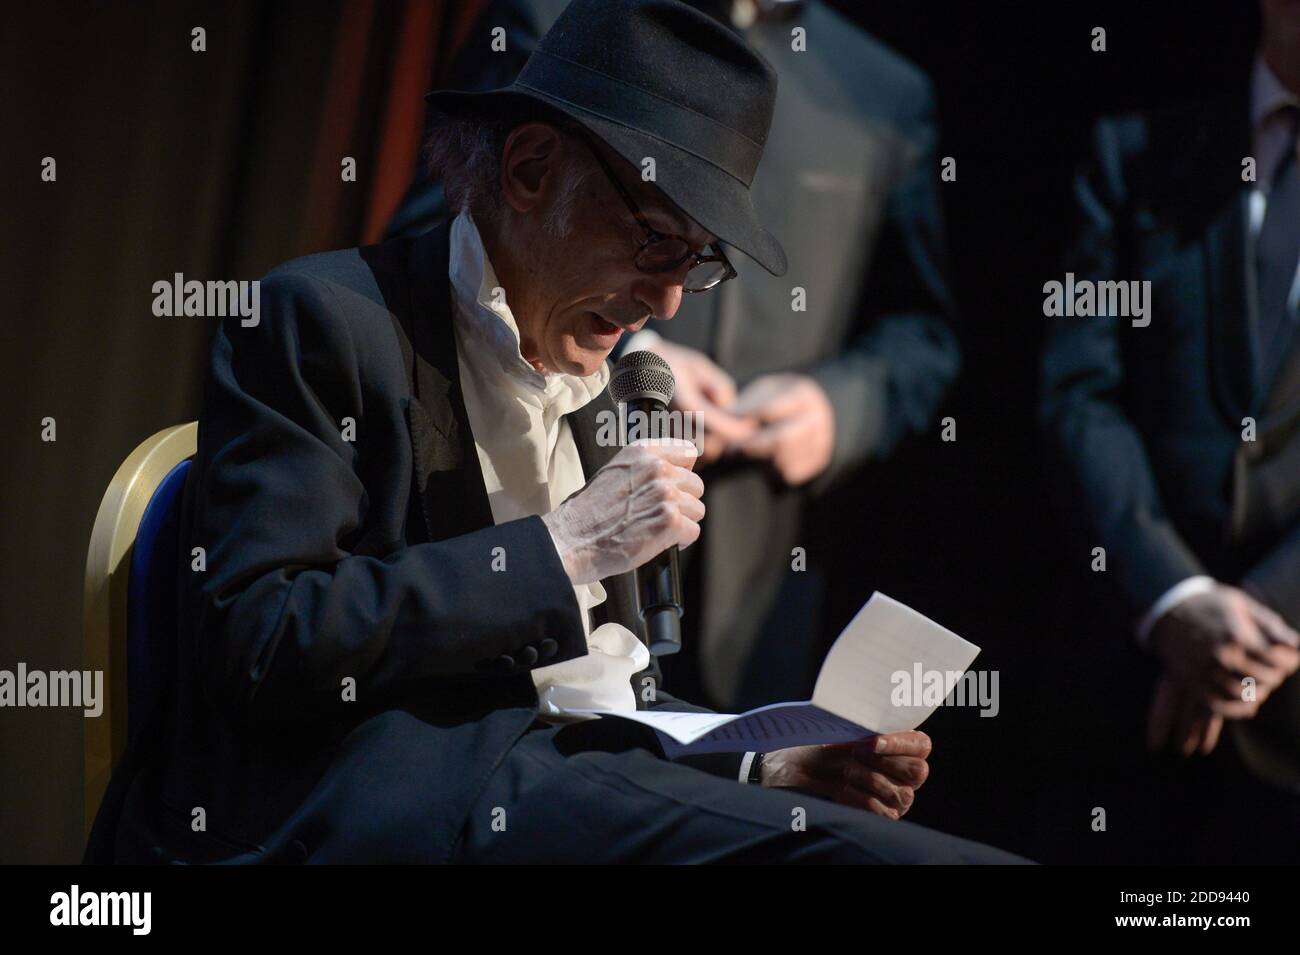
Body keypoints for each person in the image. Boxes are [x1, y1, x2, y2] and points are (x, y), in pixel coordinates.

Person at [87, 0, 1023, 864]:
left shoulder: (609, 384)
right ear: (530, 169)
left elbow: (602, 694)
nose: (664, 301)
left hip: (556, 788)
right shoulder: (321, 320)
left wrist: (759, 768)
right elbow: (263, 640)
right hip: (380, 801)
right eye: (656, 240)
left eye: (696, 265)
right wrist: (564, 546)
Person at [1038, 0, 1300, 863]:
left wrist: (1254, 619)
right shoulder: (1136, 151)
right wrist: (1174, 600)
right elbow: (1080, 391)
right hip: (1130, 691)